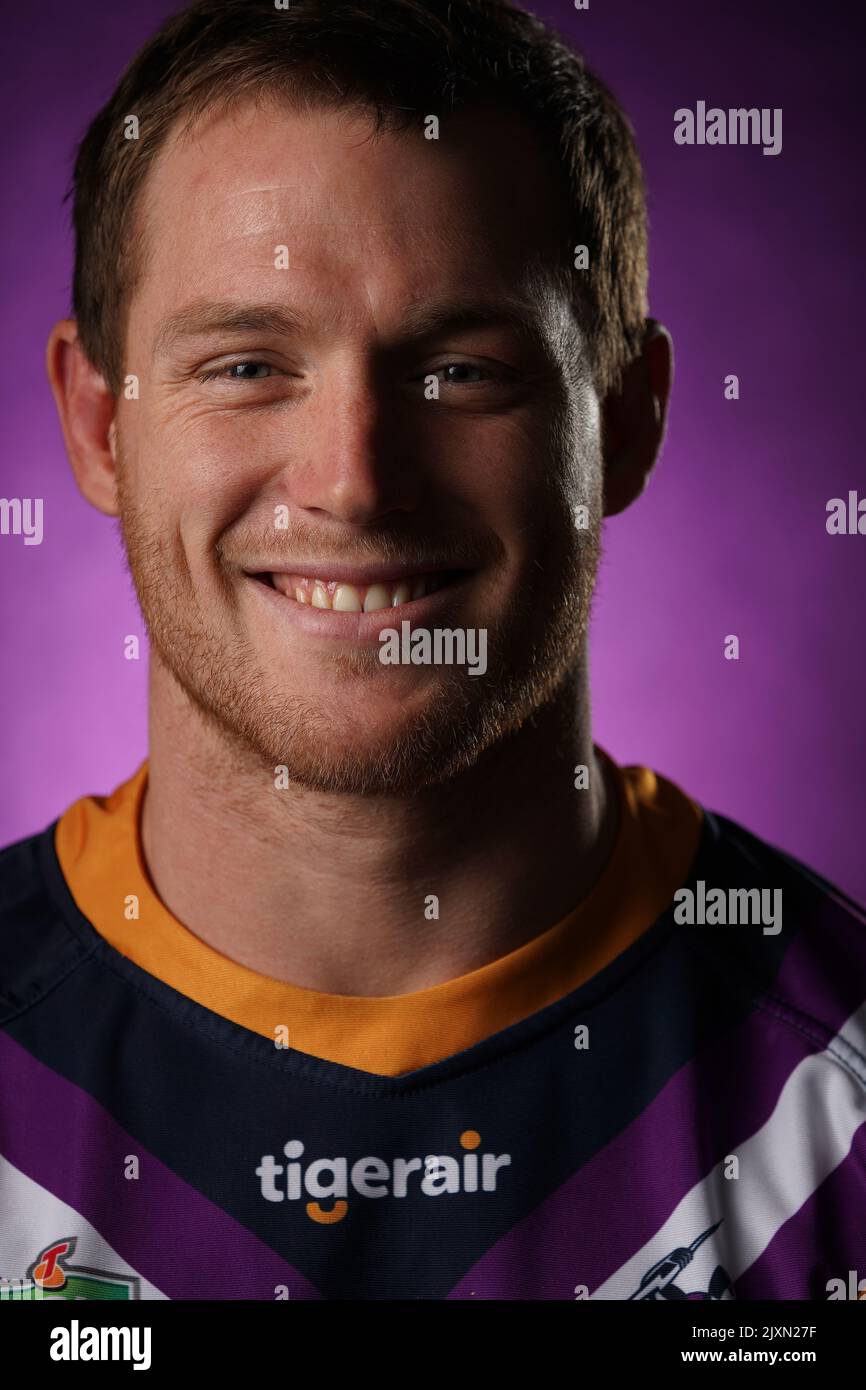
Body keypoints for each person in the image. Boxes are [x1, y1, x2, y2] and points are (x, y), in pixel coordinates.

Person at [1, 0, 863, 1302]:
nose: (352, 482)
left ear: (623, 420)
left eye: (463, 371)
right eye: (246, 364)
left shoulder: (833, 1099)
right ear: (99, 425)